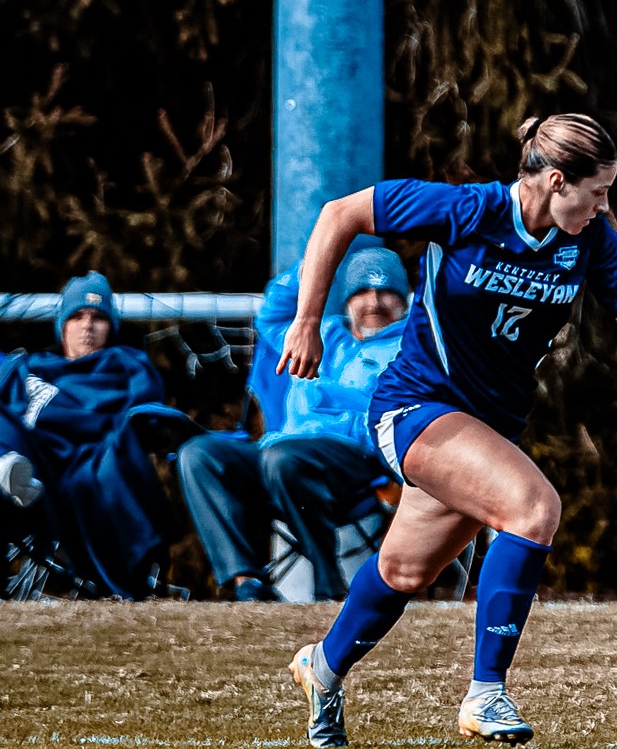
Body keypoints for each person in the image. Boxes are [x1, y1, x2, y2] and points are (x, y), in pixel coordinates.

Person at [279, 113, 617, 748]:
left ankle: (321, 667)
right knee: (534, 508)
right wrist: (306, 320)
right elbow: (338, 214)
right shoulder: (466, 209)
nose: (604, 206)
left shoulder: (589, 237)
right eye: (598, 192)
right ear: (556, 181)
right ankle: (486, 692)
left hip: (488, 428)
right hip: (414, 407)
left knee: (404, 572)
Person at [177, 247, 410, 602]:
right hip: (280, 451)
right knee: (200, 455)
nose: (374, 302)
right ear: (347, 301)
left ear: (404, 301)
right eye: (363, 292)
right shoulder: (321, 333)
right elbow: (271, 317)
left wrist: (332, 394)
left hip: (354, 460)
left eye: (386, 292)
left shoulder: (410, 349)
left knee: (285, 459)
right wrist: (311, 268)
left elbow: (394, 417)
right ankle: (246, 582)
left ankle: (328, 580)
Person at [0, 271, 198, 599]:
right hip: (27, 455)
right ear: (62, 325)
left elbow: (144, 415)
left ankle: (9, 469)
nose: (88, 325)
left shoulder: (126, 367)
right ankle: (8, 467)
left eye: (98, 317)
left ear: (111, 327)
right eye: (77, 316)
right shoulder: (29, 367)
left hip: (71, 467)